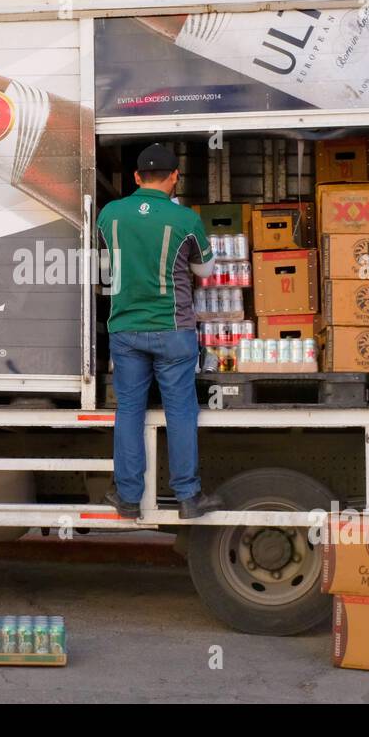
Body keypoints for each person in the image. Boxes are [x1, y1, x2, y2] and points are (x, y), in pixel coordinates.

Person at [96, 143, 225, 520]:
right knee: (181, 410)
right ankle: (188, 496)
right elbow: (204, 271)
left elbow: (110, 256)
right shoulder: (185, 219)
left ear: (136, 177)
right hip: (173, 330)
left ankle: (128, 497)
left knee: (130, 410)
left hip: (125, 329)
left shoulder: (110, 214)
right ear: (174, 178)